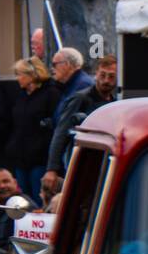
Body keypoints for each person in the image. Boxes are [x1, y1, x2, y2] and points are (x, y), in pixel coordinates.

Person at [43, 53, 116, 193]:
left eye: (111, 76)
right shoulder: (80, 99)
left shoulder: (114, 103)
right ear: (96, 74)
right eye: (102, 75)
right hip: (82, 164)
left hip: (105, 163)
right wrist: (52, 169)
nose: (106, 80)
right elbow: (61, 133)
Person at [4, 56, 61, 204]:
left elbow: (54, 125)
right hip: (20, 157)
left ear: (32, 75)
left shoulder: (51, 93)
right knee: (22, 199)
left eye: (20, 74)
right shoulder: (20, 95)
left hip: (40, 158)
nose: (17, 78)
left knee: (39, 198)